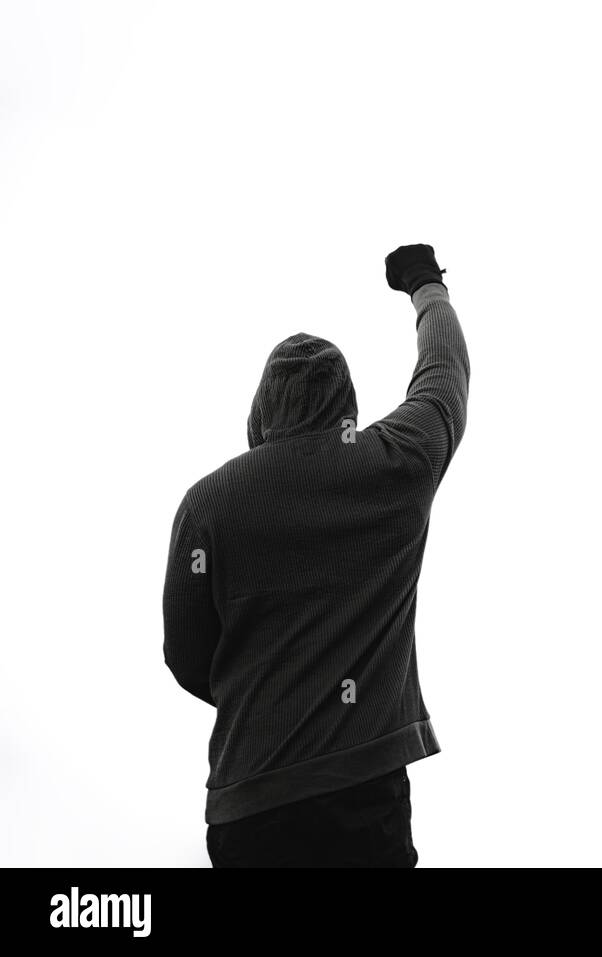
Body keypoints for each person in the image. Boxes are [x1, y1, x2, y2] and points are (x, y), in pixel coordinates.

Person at [162, 243, 470, 867]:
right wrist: (425, 287)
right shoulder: (395, 463)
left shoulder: (207, 506)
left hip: (247, 812)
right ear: (346, 405)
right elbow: (444, 376)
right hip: (361, 801)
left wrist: (266, 693)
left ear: (259, 411)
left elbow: (188, 656)